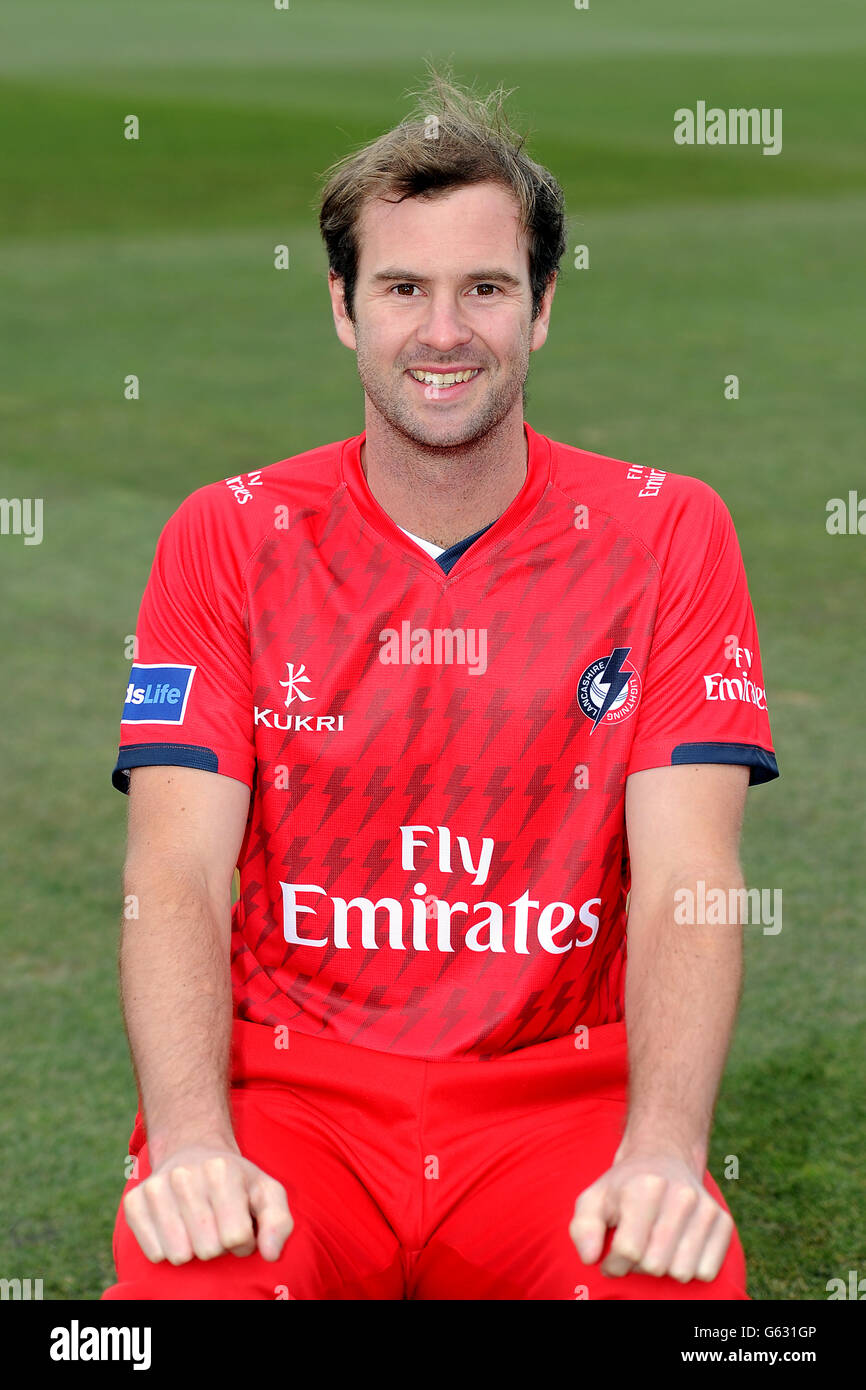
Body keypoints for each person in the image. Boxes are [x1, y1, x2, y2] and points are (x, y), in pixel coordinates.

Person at [102, 71, 779, 1301]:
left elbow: (690, 873)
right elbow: (176, 870)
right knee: (187, 1292)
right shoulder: (225, 533)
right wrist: (194, 1138)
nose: (443, 331)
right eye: (402, 289)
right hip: (291, 1098)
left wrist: (666, 1149)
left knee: (666, 1293)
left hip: (559, 1102)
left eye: (485, 288)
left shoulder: (667, 530)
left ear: (542, 308)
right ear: (342, 310)